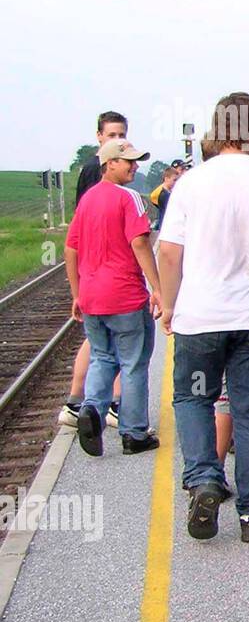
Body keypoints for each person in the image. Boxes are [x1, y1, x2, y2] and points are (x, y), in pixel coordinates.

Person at [158, 93, 249, 544]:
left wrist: (169, 304)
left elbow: (168, 252)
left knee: (193, 398)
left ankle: (204, 477)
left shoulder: (190, 184)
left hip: (200, 317)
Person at [63, 139, 163, 456]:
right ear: (110, 164)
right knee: (133, 364)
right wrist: (158, 287)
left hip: (92, 297)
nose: (134, 166)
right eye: (128, 161)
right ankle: (134, 433)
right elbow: (140, 243)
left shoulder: (87, 200)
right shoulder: (128, 198)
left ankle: (92, 407)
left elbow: (70, 249)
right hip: (125, 296)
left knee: (103, 358)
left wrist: (77, 294)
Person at [59, 111, 129, 430]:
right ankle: (100, 403)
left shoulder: (101, 167)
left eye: (122, 134)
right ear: (99, 136)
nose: (118, 140)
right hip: (100, 266)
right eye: (112, 134)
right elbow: (88, 221)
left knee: (102, 340)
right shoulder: (96, 169)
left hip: (98, 266)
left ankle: (80, 403)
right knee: (106, 340)